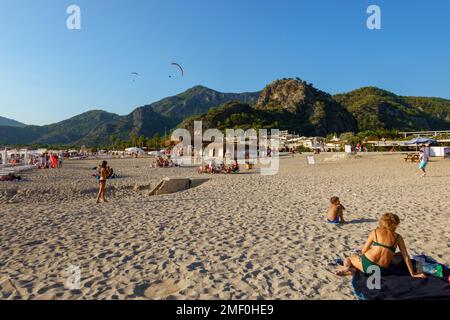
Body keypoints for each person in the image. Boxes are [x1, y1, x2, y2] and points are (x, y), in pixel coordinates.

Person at [335, 213, 427, 278]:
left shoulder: (375, 232)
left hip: (367, 265)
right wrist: (413, 274)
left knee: (350, 258)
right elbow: (406, 257)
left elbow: (363, 251)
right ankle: (353, 270)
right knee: (398, 255)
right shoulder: (398, 237)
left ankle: (347, 267)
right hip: (381, 271)